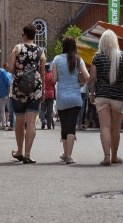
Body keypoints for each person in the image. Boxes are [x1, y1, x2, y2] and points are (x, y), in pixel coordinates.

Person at [89, 29, 123, 165]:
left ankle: (106, 156)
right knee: (115, 128)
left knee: (104, 127)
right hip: (117, 96)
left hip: (102, 95)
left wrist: (92, 93)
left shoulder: (97, 57)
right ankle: (114, 156)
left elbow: (93, 78)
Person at [10, 24, 45, 164]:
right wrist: (42, 90)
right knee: (31, 122)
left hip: (19, 87)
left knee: (19, 120)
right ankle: (28, 154)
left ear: (24, 34)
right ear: (34, 36)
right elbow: (42, 72)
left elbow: (10, 67)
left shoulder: (17, 48)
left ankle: (19, 151)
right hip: (35, 86)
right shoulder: (40, 51)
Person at [52, 36, 89, 164]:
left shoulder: (56, 59)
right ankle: (69, 155)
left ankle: (65, 153)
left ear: (63, 46)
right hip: (75, 97)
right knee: (72, 126)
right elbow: (87, 77)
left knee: (64, 126)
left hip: (62, 96)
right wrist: (80, 83)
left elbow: (53, 79)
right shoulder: (78, 60)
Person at [0, 62, 14, 131]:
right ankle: (3, 125)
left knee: (10, 109)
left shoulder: (6, 74)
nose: (7, 68)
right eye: (6, 67)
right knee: (2, 110)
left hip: (7, 94)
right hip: (1, 95)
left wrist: (9, 93)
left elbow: (8, 84)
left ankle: (13, 124)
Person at [41, 64, 56, 129]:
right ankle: (49, 125)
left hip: (44, 93)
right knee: (49, 110)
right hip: (51, 94)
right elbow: (54, 85)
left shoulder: (43, 76)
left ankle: (43, 120)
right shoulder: (51, 75)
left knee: (42, 109)